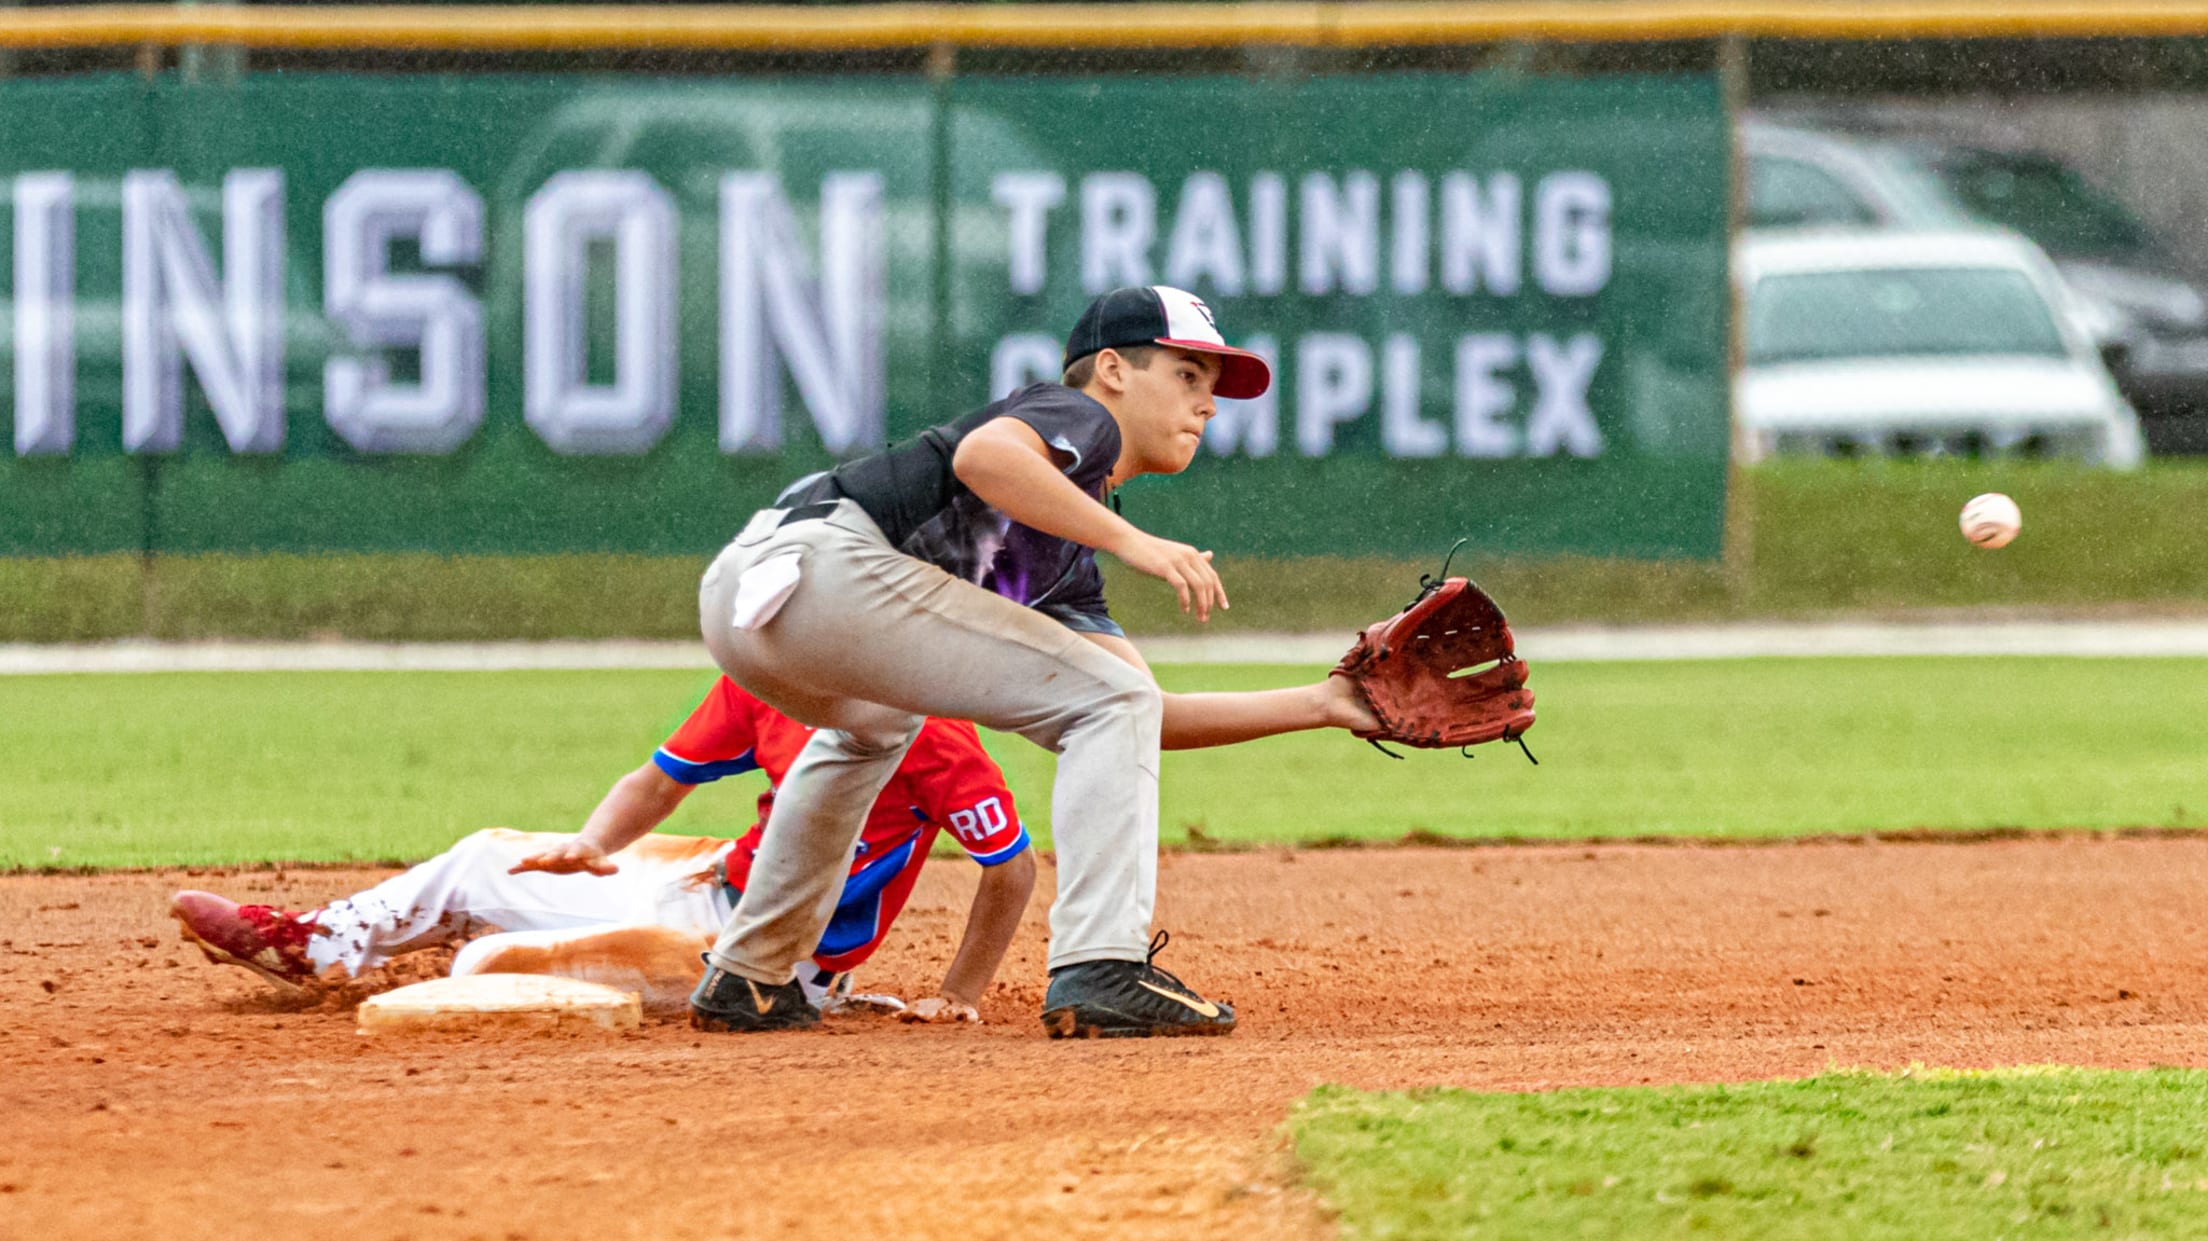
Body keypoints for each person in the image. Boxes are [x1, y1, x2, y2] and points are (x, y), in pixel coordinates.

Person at [689, 284, 1372, 1039]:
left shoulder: (1065, 551)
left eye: (1211, 390)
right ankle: (1102, 963)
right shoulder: (1079, 415)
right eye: (1186, 376)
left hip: (750, 601)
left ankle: (750, 973)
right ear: (1112, 368)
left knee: (881, 726)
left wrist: (1325, 703)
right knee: (1105, 701)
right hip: (827, 568)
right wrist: (1134, 541)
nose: (1206, 405)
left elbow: (1142, 713)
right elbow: (987, 456)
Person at [168, 677, 1035, 1023]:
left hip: (772, 950)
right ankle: (312, 945)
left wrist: (957, 993)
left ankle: (830, 1002)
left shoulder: (926, 721)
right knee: (485, 858)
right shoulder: (767, 675)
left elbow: (1012, 862)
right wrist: (589, 844)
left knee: (487, 961)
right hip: (704, 877)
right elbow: (659, 782)